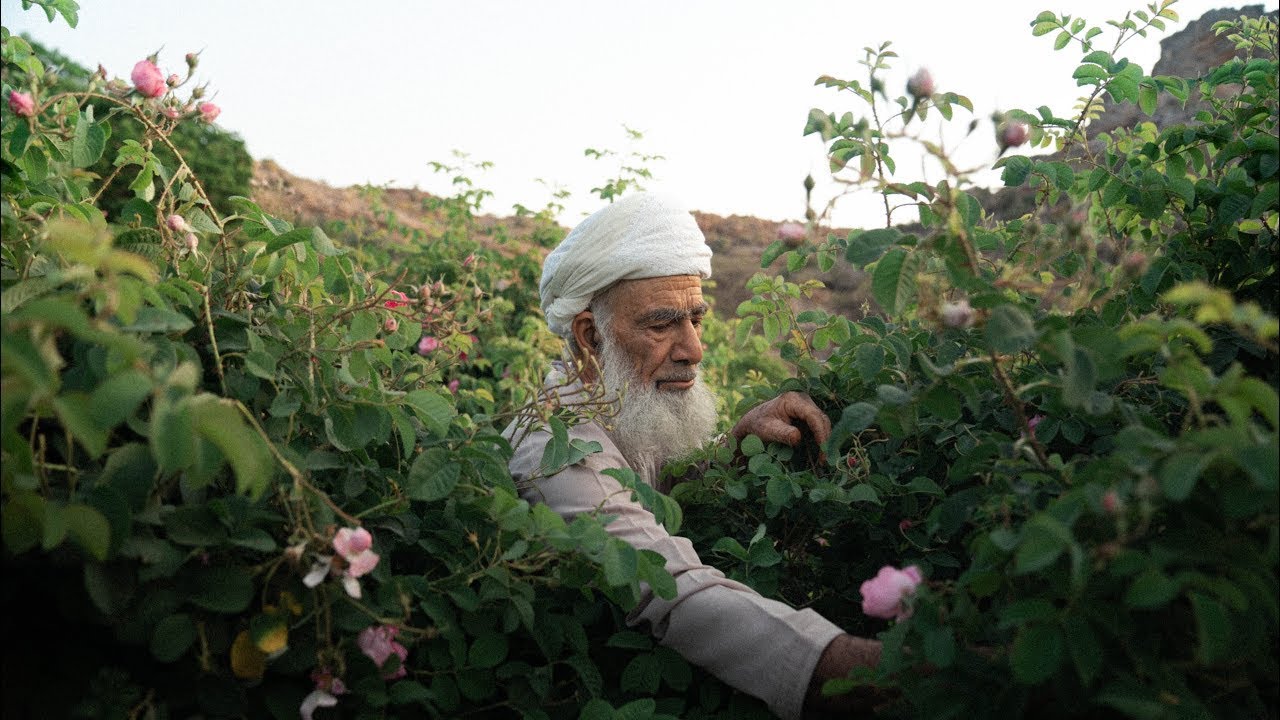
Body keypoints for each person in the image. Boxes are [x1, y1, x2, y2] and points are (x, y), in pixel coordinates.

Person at [504, 192, 886, 719]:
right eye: (661, 324)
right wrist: (882, 676)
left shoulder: (618, 402)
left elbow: (654, 492)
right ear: (590, 337)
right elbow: (672, 593)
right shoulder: (556, 447)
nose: (693, 350)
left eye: (695, 320)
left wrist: (733, 446)